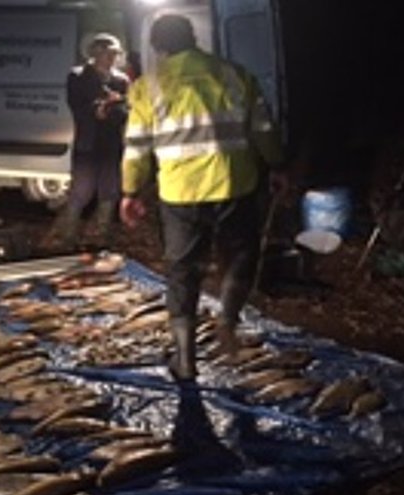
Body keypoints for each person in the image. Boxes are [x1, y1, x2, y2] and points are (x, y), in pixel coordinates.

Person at [118, 14, 288, 381]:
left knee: (183, 271)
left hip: (181, 194)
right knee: (241, 256)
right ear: (195, 39)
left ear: (158, 47)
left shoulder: (149, 87)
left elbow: (135, 150)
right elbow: (263, 128)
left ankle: (185, 358)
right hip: (235, 186)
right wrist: (276, 165)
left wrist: (131, 191)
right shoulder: (234, 74)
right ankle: (227, 321)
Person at [48, 33, 130, 250]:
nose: (110, 58)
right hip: (88, 141)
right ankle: (68, 238)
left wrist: (115, 107)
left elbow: (126, 110)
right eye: (106, 53)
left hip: (111, 143)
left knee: (110, 190)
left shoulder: (121, 80)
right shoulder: (78, 76)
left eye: (113, 54)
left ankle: (102, 237)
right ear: (95, 53)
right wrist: (98, 109)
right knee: (81, 191)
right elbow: (78, 105)